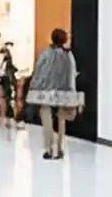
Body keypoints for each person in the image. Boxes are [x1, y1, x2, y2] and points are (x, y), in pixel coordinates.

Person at [26, 28, 79, 160]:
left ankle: (49, 148)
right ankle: (59, 148)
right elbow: (73, 75)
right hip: (63, 93)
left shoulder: (46, 54)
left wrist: (33, 86)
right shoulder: (69, 55)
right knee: (60, 120)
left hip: (46, 93)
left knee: (47, 120)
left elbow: (39, 72)